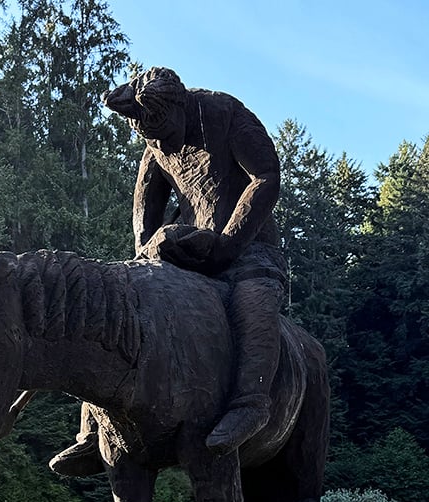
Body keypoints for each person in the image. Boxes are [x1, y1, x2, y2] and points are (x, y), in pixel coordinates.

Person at [49, 66, 286, 476]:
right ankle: (92, 428)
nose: (156, 142)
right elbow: (145, 210)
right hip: (188, 254)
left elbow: (266, 176)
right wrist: (145, 259)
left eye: (158, 129)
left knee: (253, 304)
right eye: (145, 134)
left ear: (178, 106)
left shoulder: (224, 113)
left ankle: (251, 403)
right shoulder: (154, 142)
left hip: (248, 252)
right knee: (130, 312)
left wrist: (228, 242)